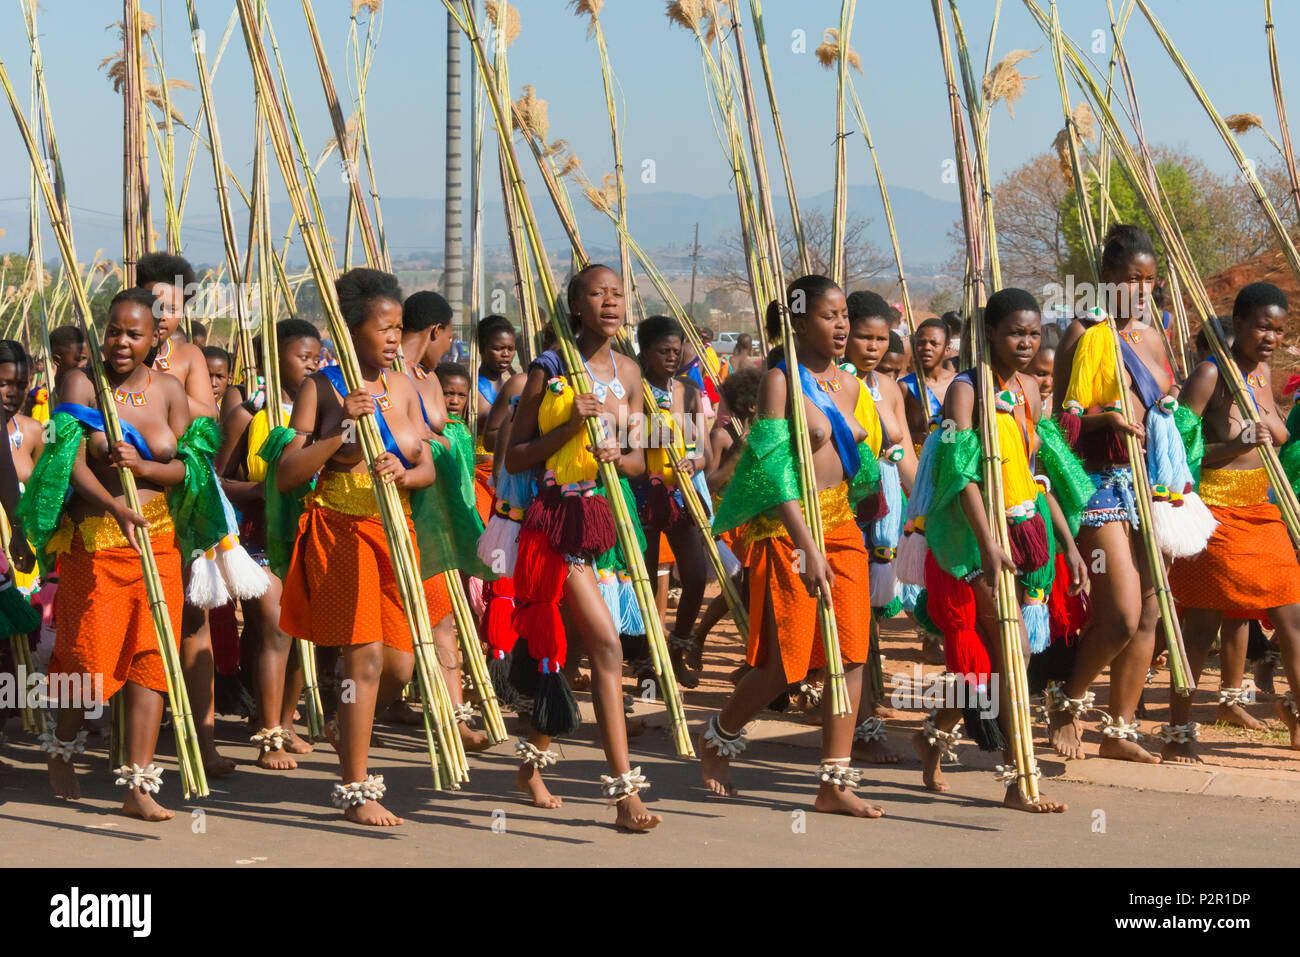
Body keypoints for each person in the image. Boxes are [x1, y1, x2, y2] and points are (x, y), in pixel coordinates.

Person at [704, 275, 885, 818]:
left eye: (844, 316)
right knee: (787, 664)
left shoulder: (850, 386)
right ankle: (719, 736)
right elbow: (771, 471)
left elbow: (861, 462)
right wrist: (806, 545)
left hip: (843, 526)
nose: (841, 326)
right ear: (800, 322)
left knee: (852, 653)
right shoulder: (780, 381)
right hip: (792, 530)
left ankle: (833, 779)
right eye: (829, 317)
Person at [908, 288, 1083, 812]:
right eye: (1014, 332)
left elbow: (1034, 478)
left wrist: (1069, 546)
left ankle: (933, 734)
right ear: (988, 334)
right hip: (973, 544)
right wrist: (987, 543)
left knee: (997, 663)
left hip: (1027, 539)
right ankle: (1017, 782)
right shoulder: (966, 391)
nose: (1026, 342)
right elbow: (961, 473)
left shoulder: (1030, 388)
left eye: (1033, 333)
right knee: (1006, 660)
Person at [1046, 224, 1214, 762]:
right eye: (1129, 279)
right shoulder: (1082, 331)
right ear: (1105, 279)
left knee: (1150, 611)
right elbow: (1060, 424)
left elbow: (1170, 401)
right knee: (1118, 612)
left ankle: (1119, 729)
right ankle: (1067, 702)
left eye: (1148, 280)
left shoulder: (1152, 334)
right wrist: (1107, 422)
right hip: (1099, 483)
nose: (1140, 289)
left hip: (1151, 482)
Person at [503, 262, 661, 831]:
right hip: (555, 526)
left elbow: (643, 457)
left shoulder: (632, 374)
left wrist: (622, 455)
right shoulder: (547, 370)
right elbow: (515, 456)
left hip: (607, 525)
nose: (611, 303)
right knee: (607, 646)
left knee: (569, 654)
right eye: (597, 293)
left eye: (618, 294)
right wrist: (570, 425)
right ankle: (625, 795)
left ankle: (530, 764)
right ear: (575, 305)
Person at [25, 288, 191, 821]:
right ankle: (63, 745)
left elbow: (188, 468)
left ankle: (138, 786)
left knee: (151, 659)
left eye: (134, 334)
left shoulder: (169, 390)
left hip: (157, 541)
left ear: (154, 338)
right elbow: (67, 463)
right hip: (96, 541)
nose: (121, 342)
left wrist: (143, 471)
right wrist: (115, 506)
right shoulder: (81, 383)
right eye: (114, 331)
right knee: (89, 660)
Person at [278, 268, 436, 826]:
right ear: (353, 330)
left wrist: (407, 471)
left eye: (398, 328)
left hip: (395, 532)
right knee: (364, 657)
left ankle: (345, 720)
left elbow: (428, 463)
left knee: (399, 665)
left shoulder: (406, 384)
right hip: (341, 531)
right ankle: (356, 790)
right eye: (385, 328)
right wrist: (339, 430)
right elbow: (287, 475)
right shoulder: (323, 387)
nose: (395, 338)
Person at [1164, 282, 1300, 758]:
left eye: (1279, 330)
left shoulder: (1261, 372)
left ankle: (1298, 722)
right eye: (1263, 326)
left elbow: (1278, 431)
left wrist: (1268, 429)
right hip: (1215, 516)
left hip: (1262, 512)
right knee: (1201, 627)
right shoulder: (1208, 374)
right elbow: (1177, 452)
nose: (1270, 337)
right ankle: (1178, 732)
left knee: (1292, 616)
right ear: (1238, 323)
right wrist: (1238, 445)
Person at [215, 319, 322, 769]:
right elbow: (216, 479)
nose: (313, 366)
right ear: (275, 359)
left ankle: (285, 720)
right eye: (304, 358)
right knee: (278, 629)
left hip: (309, 530)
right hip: (258, 535)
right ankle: (269, 737)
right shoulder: (249, 411)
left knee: (303, 631)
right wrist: (262, 492)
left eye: (318, 358)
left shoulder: (325, 407)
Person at [634, 314, 712, 688]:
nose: (671, 357)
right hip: (642, 492)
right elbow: (625, 444)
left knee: (696, 576)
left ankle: (679, 647)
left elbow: (705, 451)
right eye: (663, 351)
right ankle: (650, 660)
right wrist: (655, 435)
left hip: (682, 492)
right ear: (645, 352)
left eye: (676, 351)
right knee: (646, 580)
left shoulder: (690, 391)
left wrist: (692, 461)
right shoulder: (634, 390)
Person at [900, 317, 956, 449]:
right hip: (919, 462)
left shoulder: (958, 383)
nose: (926, 348)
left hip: (951, 458)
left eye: (934, 344)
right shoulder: (906, 386)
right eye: (921, 343)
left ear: (947, 348)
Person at [48, 324, 90, 402]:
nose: (86, 364)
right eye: (81, 359)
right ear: (57, 360)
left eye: (88, 359)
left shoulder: (93, 395)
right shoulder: (41, 398)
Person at [1027, 344, 1055, 416]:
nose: (1048, 383)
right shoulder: (1007, 403)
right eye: (1041, 374)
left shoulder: (1059, 405)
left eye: (1055, 376)